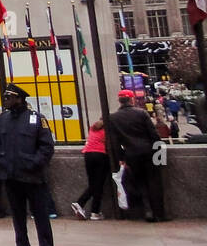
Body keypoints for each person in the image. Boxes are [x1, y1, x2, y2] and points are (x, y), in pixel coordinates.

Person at [0, 83, 55, 246]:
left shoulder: (36, 118)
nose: (5, 100)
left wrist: (34, 163)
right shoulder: (2, 119)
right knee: (17, 214)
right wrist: (0, 159)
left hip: (32, 175)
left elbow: (47, 147)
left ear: (20, 99)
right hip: (11, 175)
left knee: (40, 213)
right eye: (5, 97)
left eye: (9, 97)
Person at [107, 89, 167, 222]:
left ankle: (147, 211)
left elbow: (114, 142)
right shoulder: (141, 113)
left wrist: (121, 158)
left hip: (131, 155)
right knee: (154, 182)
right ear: (132, 99)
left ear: (120, 101)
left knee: (140, 183)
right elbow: (154, 135)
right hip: (149, 152)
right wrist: (161, 154)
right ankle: (159, 213)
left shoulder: (113, 118)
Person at [71, 119, 110, 221]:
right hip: (100, 155)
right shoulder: (107, 131)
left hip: (88, 154)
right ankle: (81, 203)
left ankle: (95, 212)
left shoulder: (93, 128)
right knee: (98, 184)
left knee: (93, 183)